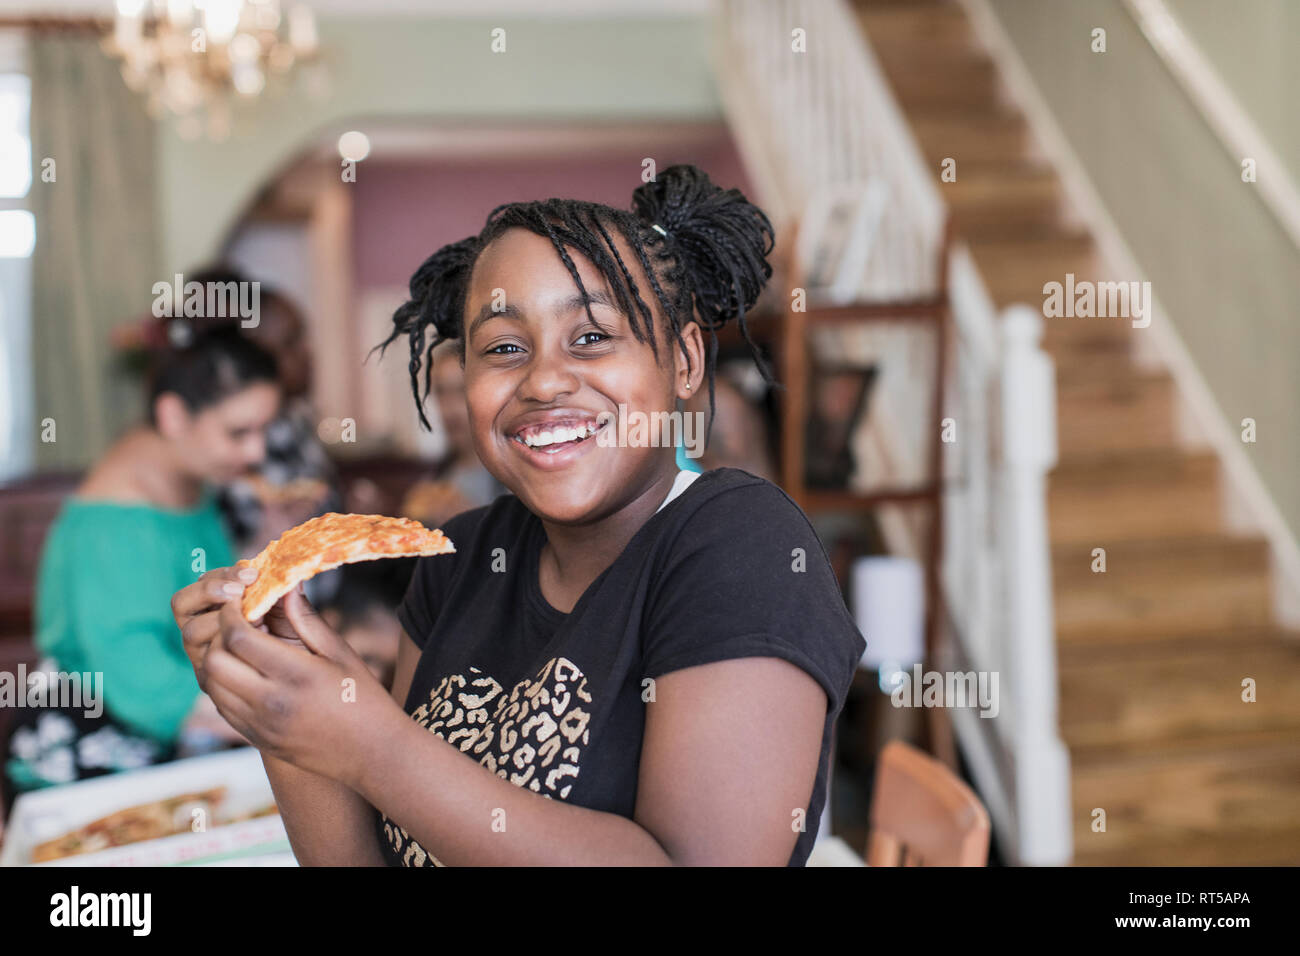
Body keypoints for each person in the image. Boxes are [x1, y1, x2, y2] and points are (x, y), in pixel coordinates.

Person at [170, 165, 867, 866]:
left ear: (685, 361)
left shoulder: (740, 548)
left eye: (592, 336)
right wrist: (283, 711)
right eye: (503, 348)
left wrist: (373, 745)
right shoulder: (462, 558)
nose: (542, 380)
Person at [2, 326, 281, 809]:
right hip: (90, 748)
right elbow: (137, 677)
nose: (257, 452)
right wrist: (275, 719)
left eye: (262, 431)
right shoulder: (110, 523)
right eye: (239, 432)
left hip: (170, 732)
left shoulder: (193, 479)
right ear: (174, 415)